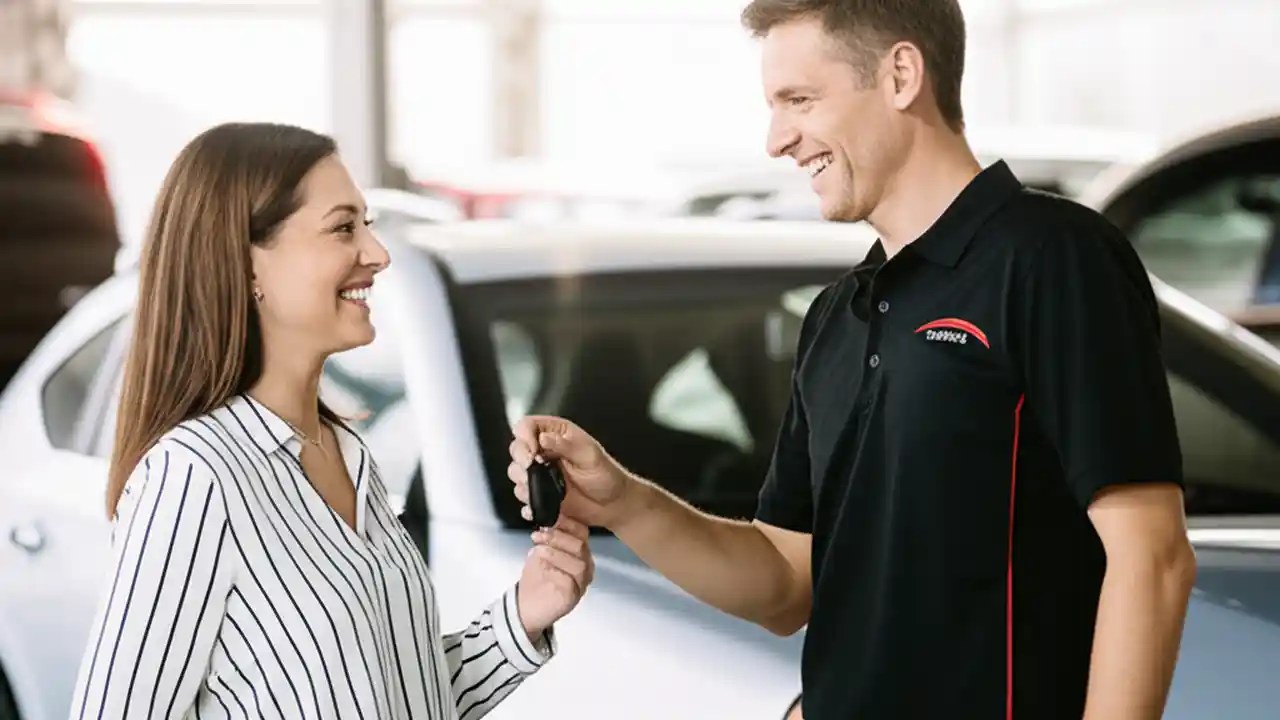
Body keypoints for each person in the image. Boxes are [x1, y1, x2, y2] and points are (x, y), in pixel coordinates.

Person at [507, 1, 1196, 719]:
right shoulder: (839, 314)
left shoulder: (1051, 259)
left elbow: (1152, 559)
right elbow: (784, 581)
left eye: (799, 100)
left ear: (901, 74)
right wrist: (624, 500)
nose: (778, 140)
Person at [70, 122, 593, 720]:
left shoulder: (347, 453)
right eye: (343, 228)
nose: (377, 252)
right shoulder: (194, 476)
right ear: (245, 266)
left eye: (366, 225)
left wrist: (522, 616)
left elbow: (399, 698)